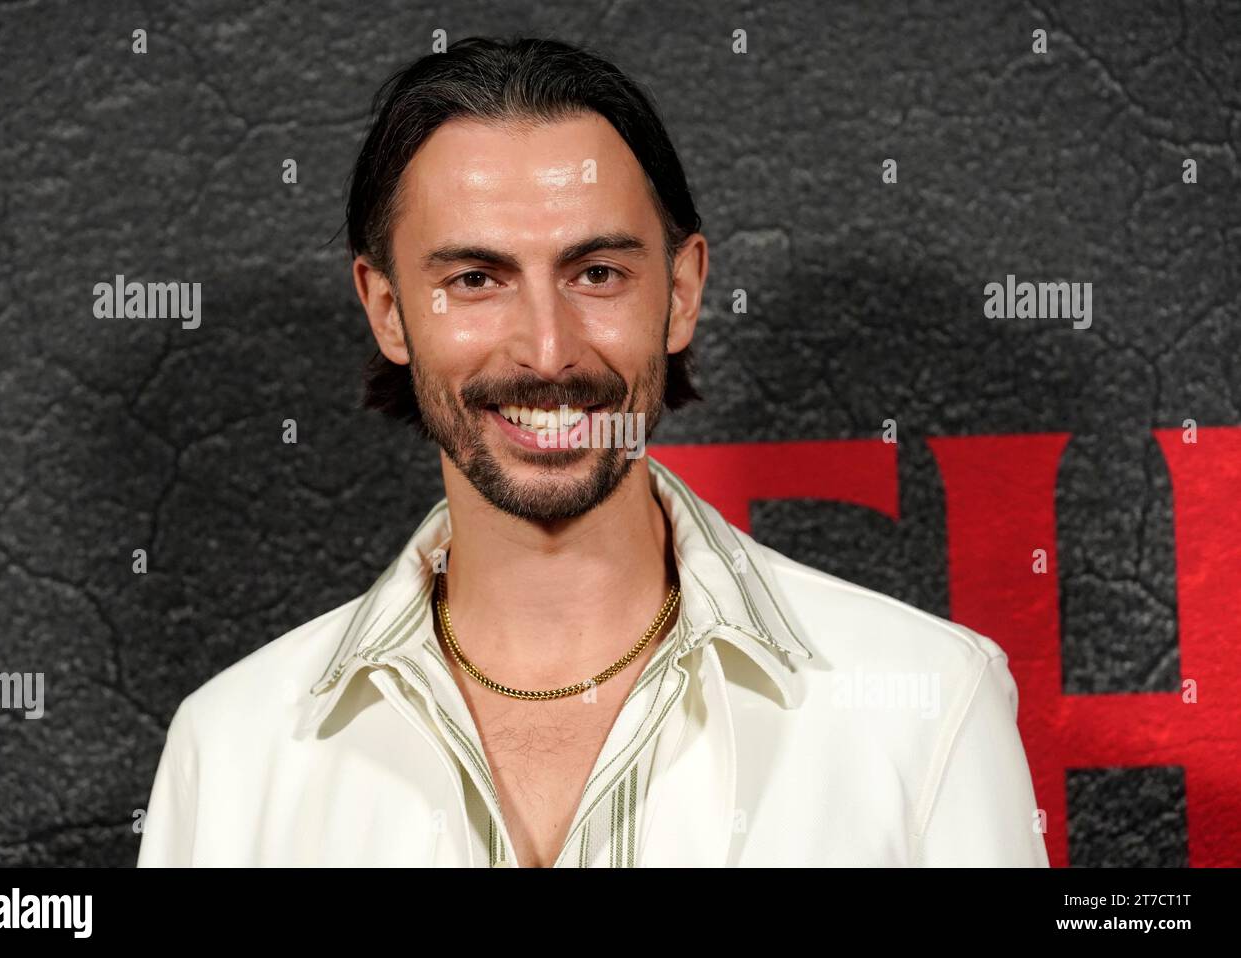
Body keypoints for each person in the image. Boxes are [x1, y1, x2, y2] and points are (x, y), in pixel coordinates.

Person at [137, 35, 1049, 868]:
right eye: (476, 279)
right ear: (387, 310)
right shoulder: (231, 753)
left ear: (683, 292)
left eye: (597, 274)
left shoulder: (930, 709)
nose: (546, 350)